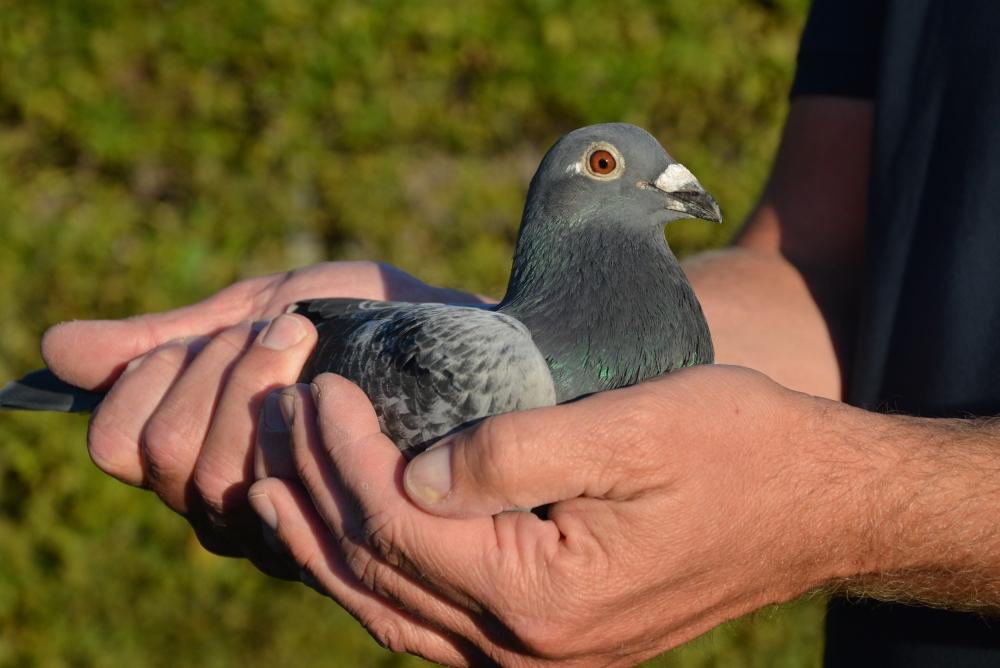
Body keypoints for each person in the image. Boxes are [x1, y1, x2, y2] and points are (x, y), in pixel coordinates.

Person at [38, 0, 1000, 664]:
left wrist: (821, 505)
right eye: (612, 165)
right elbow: (818, 269)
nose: (673, 182)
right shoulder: (495, 369)